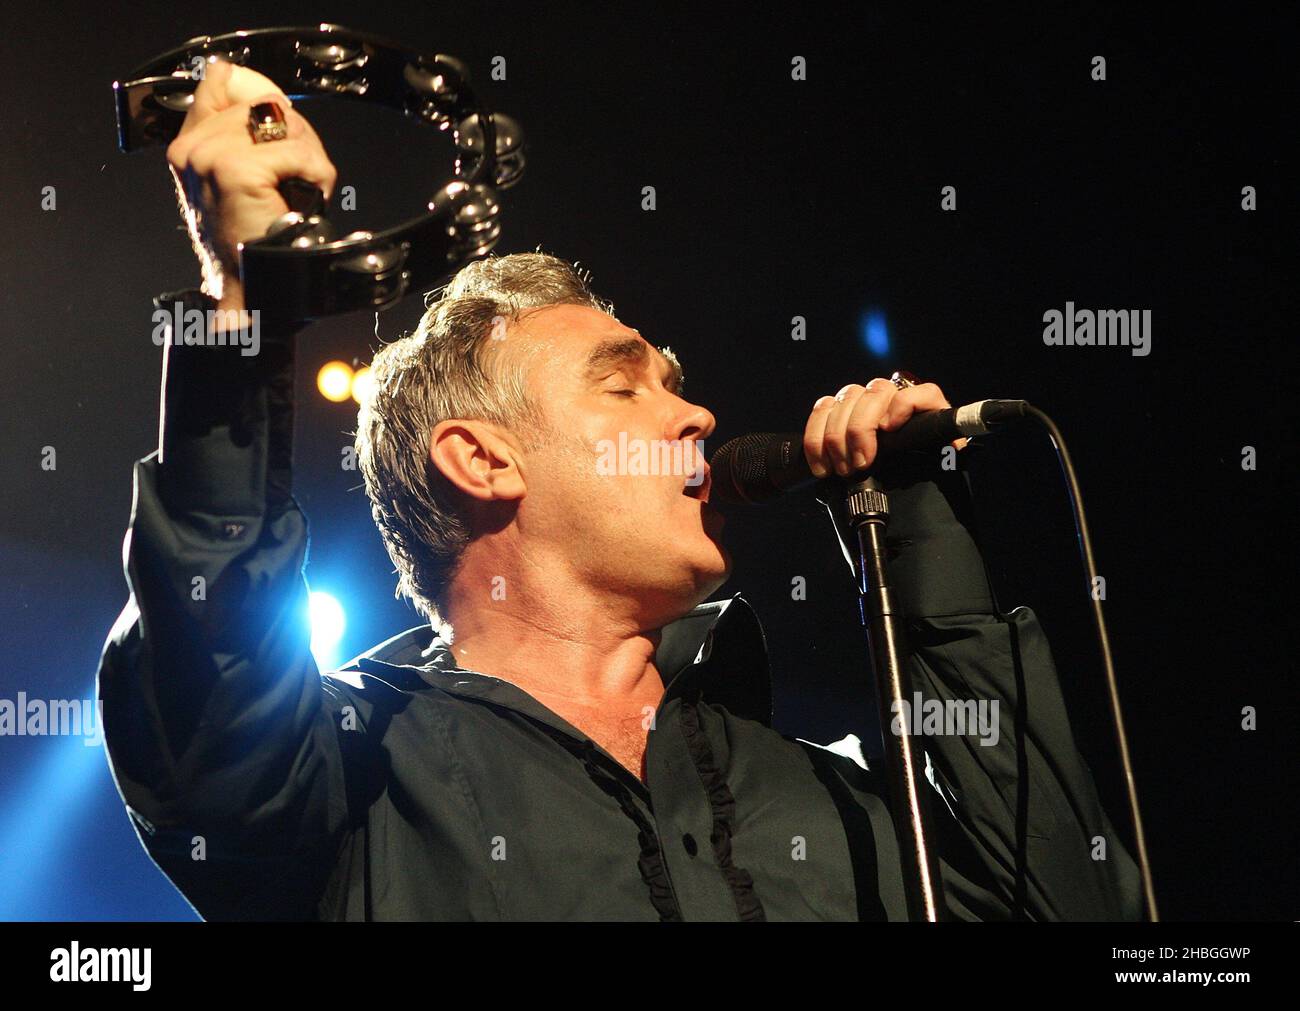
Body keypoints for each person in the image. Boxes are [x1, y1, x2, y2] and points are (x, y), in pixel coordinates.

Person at [97, 59, 1142, 921]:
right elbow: (213, 658)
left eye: (676, 387)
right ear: (483, 461)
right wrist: (240, 304)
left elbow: (1077, 906)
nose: (693, 418)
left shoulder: (830, 799)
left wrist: (918, 538)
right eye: (623, 385)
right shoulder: (350, 784)